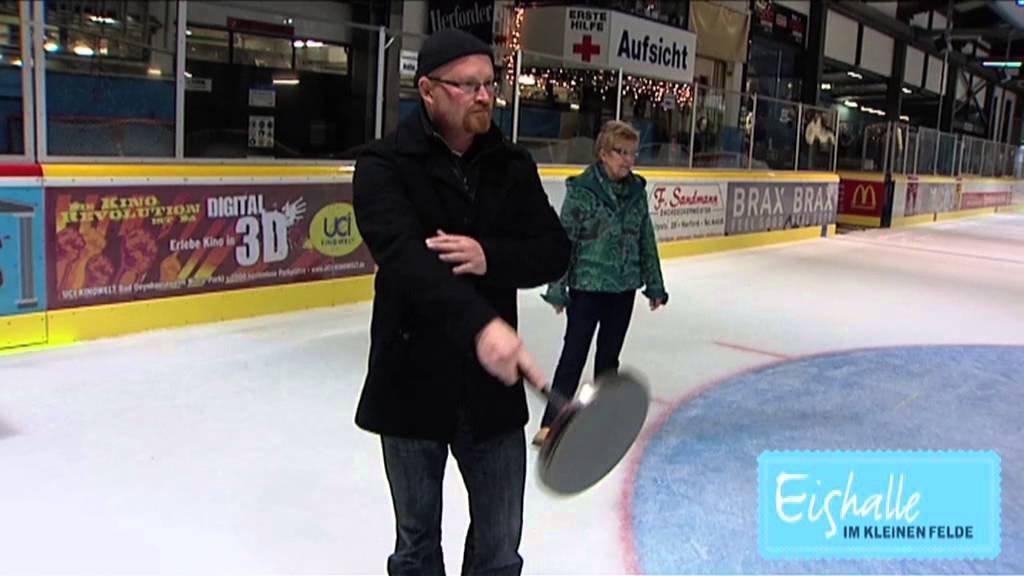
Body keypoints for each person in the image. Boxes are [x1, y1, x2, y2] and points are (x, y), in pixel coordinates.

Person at [351, 28, 571, 575]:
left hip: (489, 394)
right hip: (410, 382)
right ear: (428, 90)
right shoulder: (383, 166)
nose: (483, 96)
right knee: (417, 544)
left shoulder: (512, 165)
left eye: (490, 85)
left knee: (500, 547)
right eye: (466, 85)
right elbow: (408, 263)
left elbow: (553, 251)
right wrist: (482, 326)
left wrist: (489, 256)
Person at [536, 120, 668, 445]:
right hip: (587, 289)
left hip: (623, 289)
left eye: (633, 153)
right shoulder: (582, 191)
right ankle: (553, 422)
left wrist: (654, 284)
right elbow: (565, 241)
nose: (627, 160)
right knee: (573, 357)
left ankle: (602, 419)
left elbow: (645, 239)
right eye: (621, 152)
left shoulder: (637, 192)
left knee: (608, 361)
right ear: (603, 153)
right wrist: (558, 288)